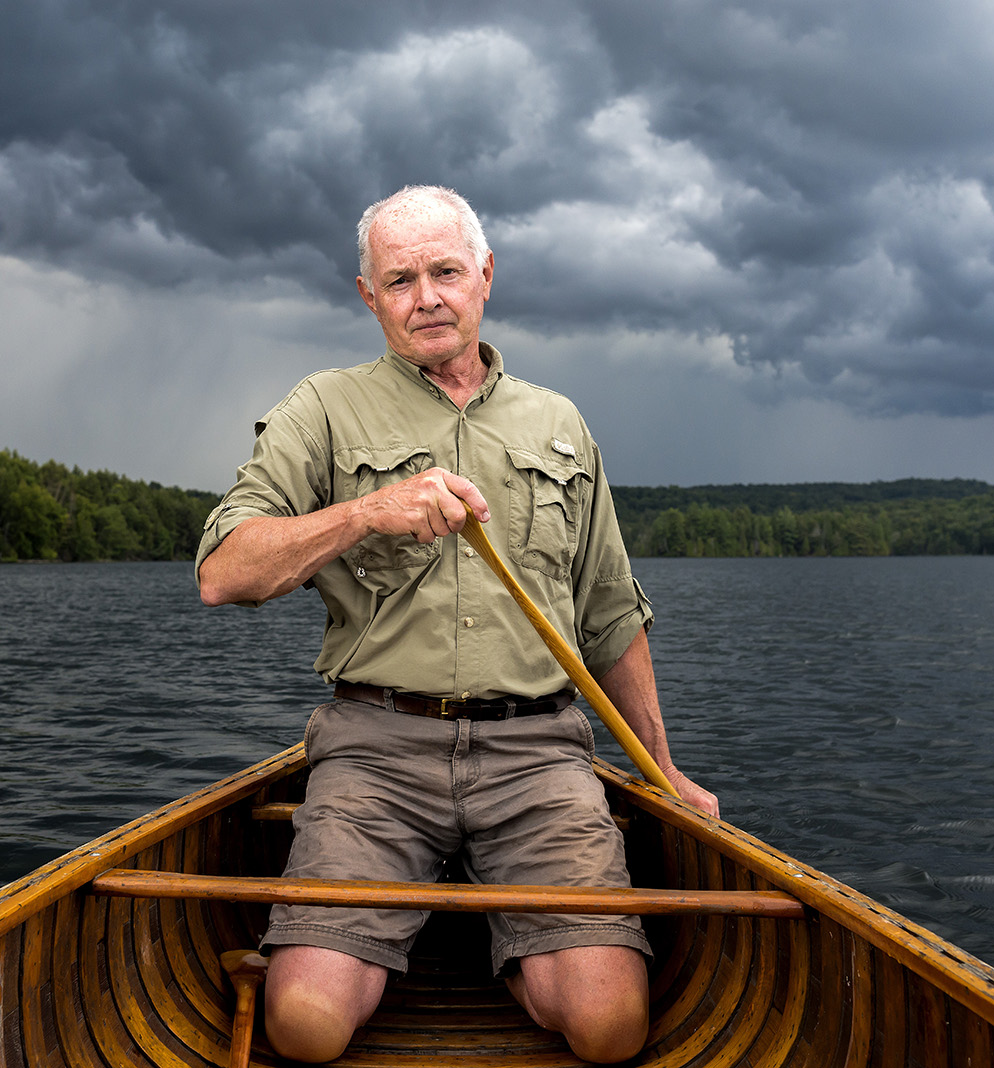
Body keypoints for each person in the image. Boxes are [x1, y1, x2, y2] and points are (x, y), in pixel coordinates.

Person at [196, 185, 718, 1063]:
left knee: (610, 1029)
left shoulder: (559, 424)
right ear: (369, 297)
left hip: (538, 756)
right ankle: (453, 920)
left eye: (445, 271)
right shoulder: (322, 407)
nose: (426, 296)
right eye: (399, 280)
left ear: (485, 276)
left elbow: (610, 614)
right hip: (375, 753)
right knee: (305, 1028)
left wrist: (661, 769)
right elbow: (223, 573)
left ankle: (503, 941)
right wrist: (365, 513)